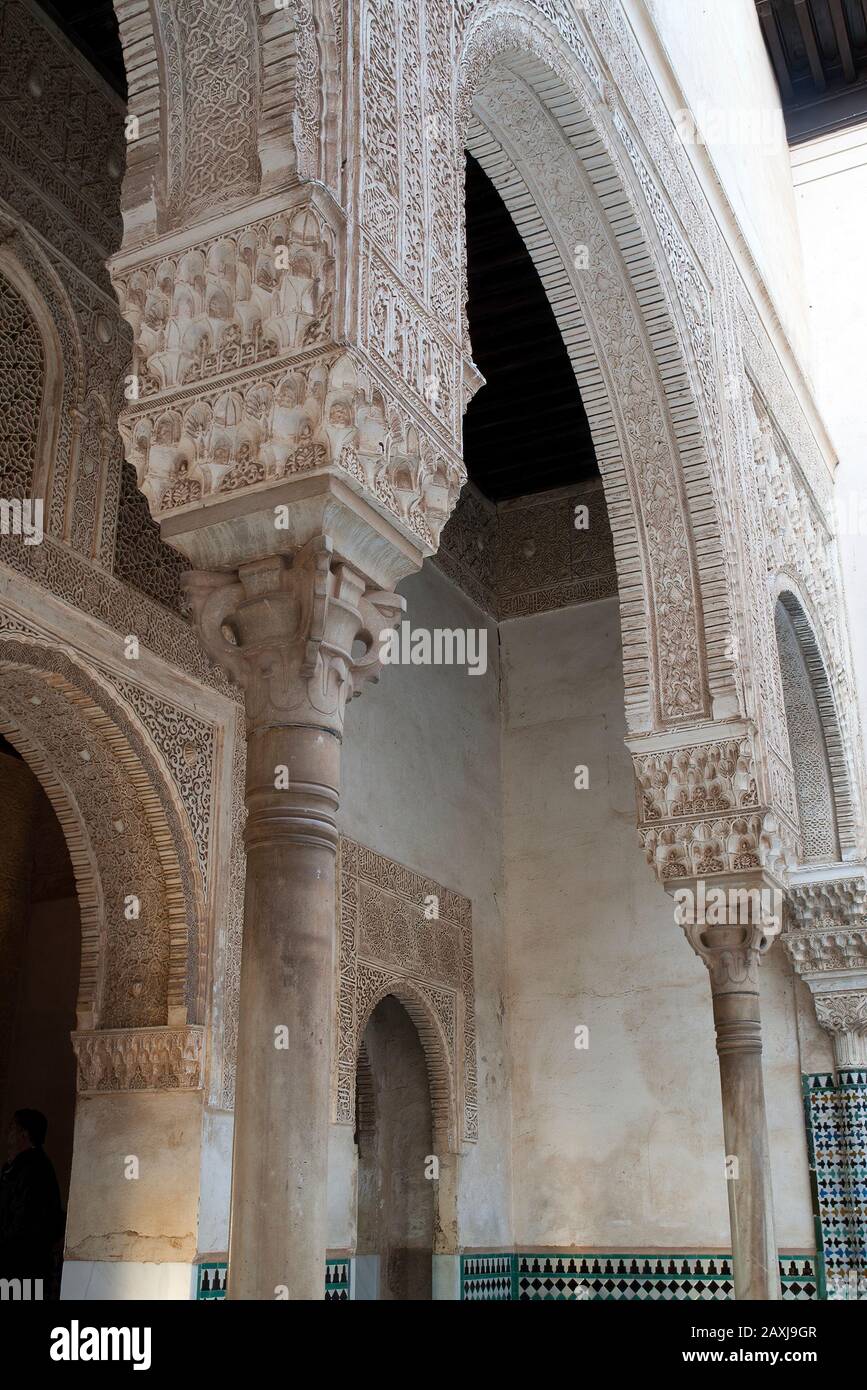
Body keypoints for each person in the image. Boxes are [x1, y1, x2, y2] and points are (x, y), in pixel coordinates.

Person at [0, 1109, 64, 1286]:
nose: (7, 1132)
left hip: (23, 1267)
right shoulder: (17, 1168)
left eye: (12, 1127)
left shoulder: (34, 1170)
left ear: (24, 1134)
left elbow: (25, 1223)